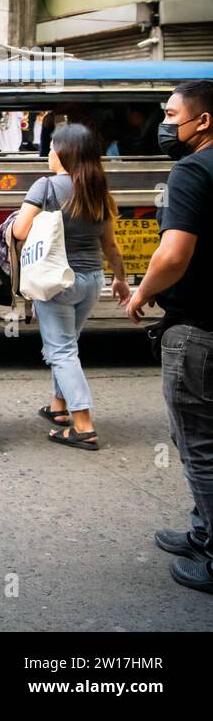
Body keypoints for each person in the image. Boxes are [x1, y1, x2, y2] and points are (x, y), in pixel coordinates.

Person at [126, 80, 213, 593]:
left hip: (199, 329)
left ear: (202, 121)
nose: (165, 122)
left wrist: (142, 294)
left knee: (198, 444)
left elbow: (174, 254)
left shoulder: (192, 169)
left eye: (171, 113)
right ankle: (202, 533)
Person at [12, 124, 130, 450]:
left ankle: (83, 425)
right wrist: (120, 279)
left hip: (57, 281)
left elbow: (21, 231)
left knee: (61, 350)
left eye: (52, 147)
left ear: (64, 152)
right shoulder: (99, 191)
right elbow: (111, 246)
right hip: (92, 280)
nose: (48, 153)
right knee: (68, 345)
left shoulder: (46, 187)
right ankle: (58, 408)